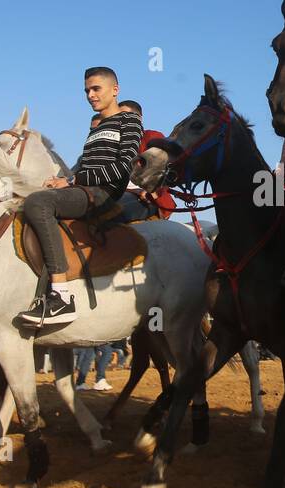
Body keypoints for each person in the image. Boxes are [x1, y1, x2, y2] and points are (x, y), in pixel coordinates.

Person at [18, 66, 144, 325]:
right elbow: (86, 168)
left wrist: (72, 180)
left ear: (115, 90)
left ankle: (62, 298)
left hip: (102, 195)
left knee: (37, 202)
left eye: (96, 88)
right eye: (87, 90)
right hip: (81, 189)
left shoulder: (128, 121)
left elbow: (123, 168)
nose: (90, 95)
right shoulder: (96, 128)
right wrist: (60, 182)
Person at [120, 100, 175, 221]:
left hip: (148, 198)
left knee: (111, 211)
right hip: (121, 193)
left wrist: (150, 190)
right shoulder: (115, 145)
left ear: (139, 119)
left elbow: (166, 169)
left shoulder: (152, 137)